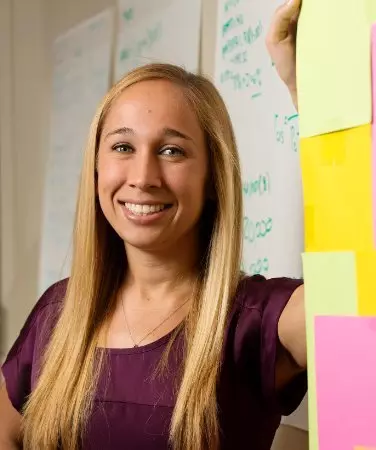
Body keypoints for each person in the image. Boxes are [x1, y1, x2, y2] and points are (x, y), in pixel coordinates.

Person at [0, 0, 306, 449]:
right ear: (97, 168)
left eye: (172, 151)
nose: (142, 178)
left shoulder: (255, 321)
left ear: (212, 180)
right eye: (123, 147)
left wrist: (308, 90)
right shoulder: (58, 313)